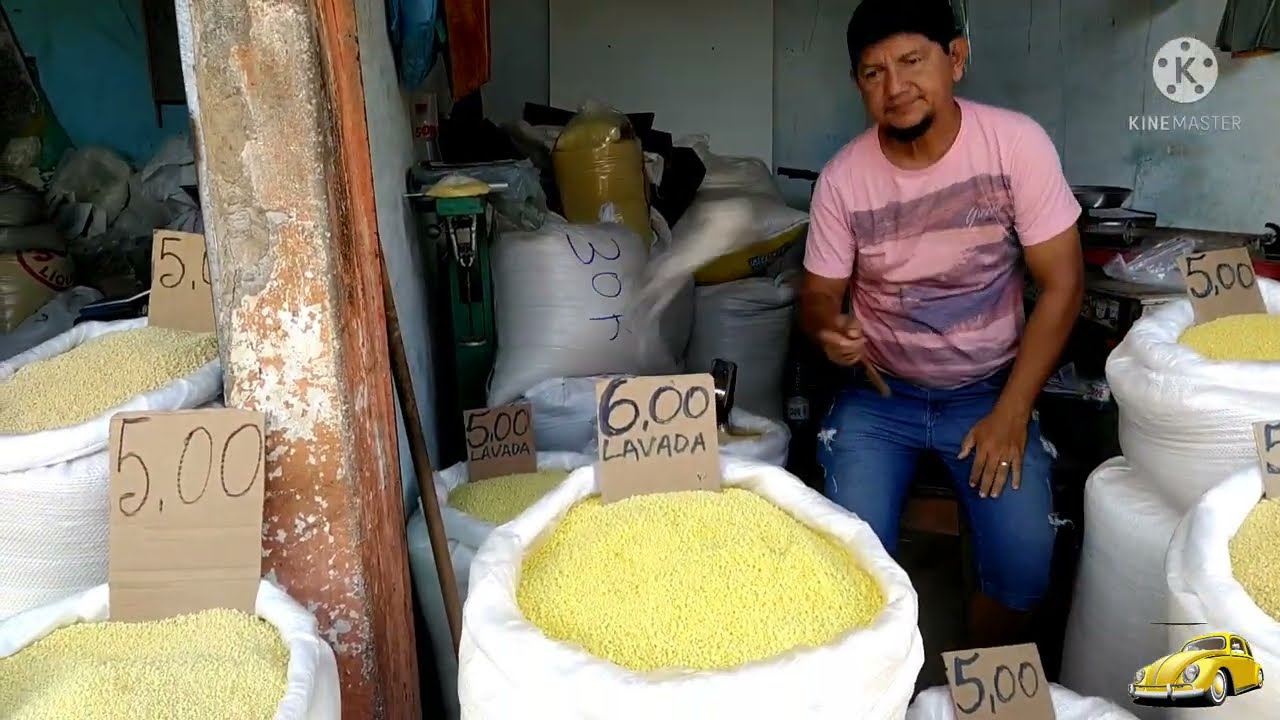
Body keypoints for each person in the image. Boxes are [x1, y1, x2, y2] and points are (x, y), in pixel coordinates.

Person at [800, 0, 1084, 648]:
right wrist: (828, 327)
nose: (895, 88)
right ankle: (879, 687)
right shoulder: (843, 180)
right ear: (859, 86)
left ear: (955, 59)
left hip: (987, 393)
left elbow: (1064, 283)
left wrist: (1013, 412)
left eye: (911, 61)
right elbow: (817, 295)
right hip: (879, 400)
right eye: (873, 73)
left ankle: (981, 686)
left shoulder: (1015, 145)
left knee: (1022, 557)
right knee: (850, 555)